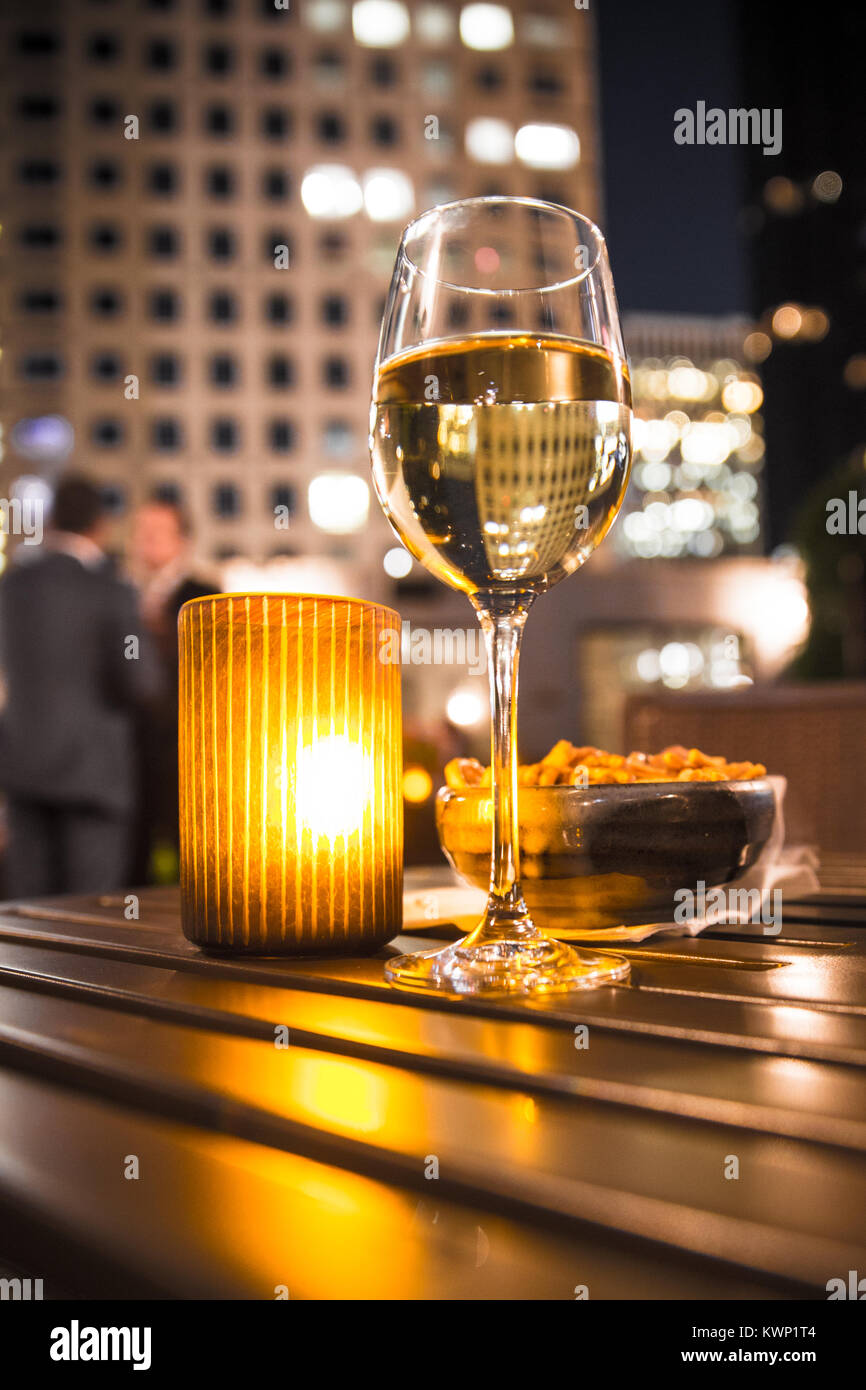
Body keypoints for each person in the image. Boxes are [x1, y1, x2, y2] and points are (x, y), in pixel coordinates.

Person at [0, 475, 162, 898]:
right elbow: (143, 681)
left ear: (51, 520)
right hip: (93, 771)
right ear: (101, 525)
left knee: (27, 916)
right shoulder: (111, 591)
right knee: (91, 914)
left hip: (22, 766)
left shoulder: (11, 587)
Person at [128, 497, 217, 883]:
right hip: (135, 752)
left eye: (157, 533)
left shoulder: (204, 593)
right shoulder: (125, 594)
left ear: (182, 540)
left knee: (191, 859)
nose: (146, 541)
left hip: (186, 748)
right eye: (141, 532)